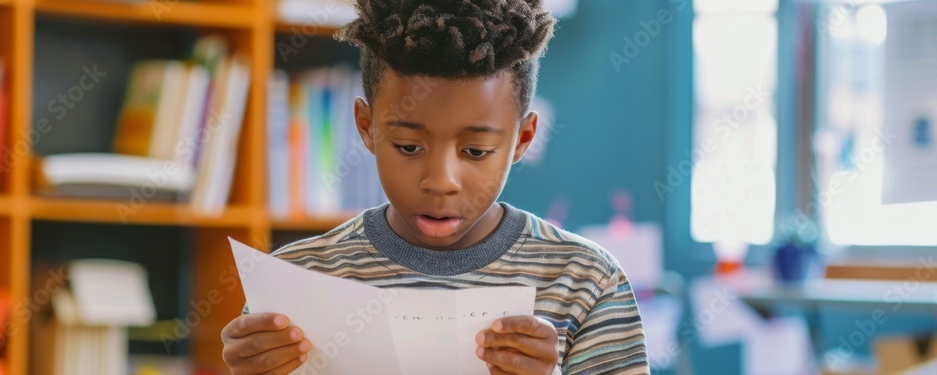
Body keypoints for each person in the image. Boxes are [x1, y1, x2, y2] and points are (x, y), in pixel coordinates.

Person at [221, 1, 649, 374]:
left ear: (522, 139)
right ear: (366, 128)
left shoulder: (585, 280)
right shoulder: (297, 282)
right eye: (409, 146)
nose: (441, 181)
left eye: (477, 151)